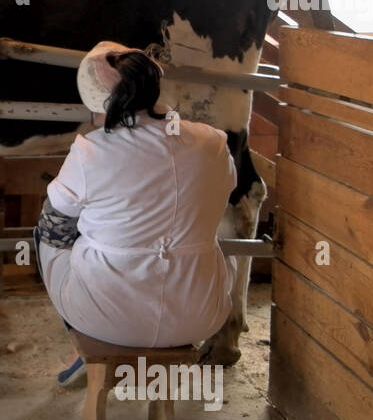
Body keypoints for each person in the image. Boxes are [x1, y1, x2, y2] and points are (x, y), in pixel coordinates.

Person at [33, 41, 238, 389]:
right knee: (206, 234)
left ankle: (86, 344)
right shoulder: (213, 142)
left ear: (97, 101)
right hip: (201, 315)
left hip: (106, 318)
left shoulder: (90, 151)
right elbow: (224, 191)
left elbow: (53, 223)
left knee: (52, 233)